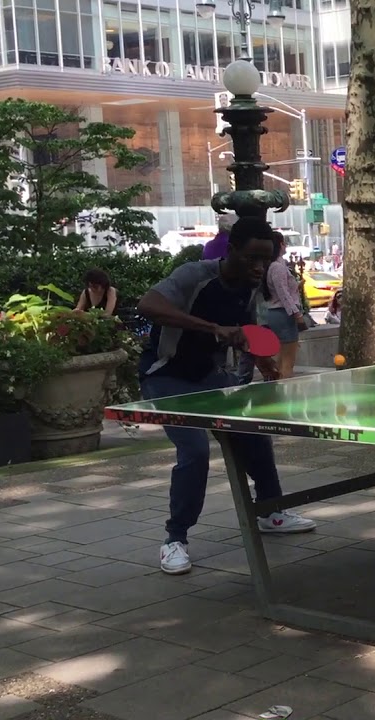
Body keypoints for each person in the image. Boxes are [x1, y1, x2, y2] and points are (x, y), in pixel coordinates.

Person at [136, 216, 316, 575]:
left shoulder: (249, 286)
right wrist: (212, 328)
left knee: (254, 431)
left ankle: (270, 511)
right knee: (195, 451)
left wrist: (263, 361)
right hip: (166, 375)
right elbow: (147, 305)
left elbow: (246, 329)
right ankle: (175, 539)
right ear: (231, 250)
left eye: (265, 259)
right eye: (252, 258)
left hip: (210, 376)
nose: (259, 267)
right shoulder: (194, 275)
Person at [261, 233, 309, 379]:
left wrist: (296, 286)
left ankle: (279, 383)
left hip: (277, 313)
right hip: (283, 314)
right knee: (288, 359)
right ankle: (285, 385)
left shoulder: (273, 266)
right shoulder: (277, 267)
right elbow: (283, 293)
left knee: (281, 357)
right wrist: (297, 314)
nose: (286, 246)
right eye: (284, 243)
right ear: (279, 245)